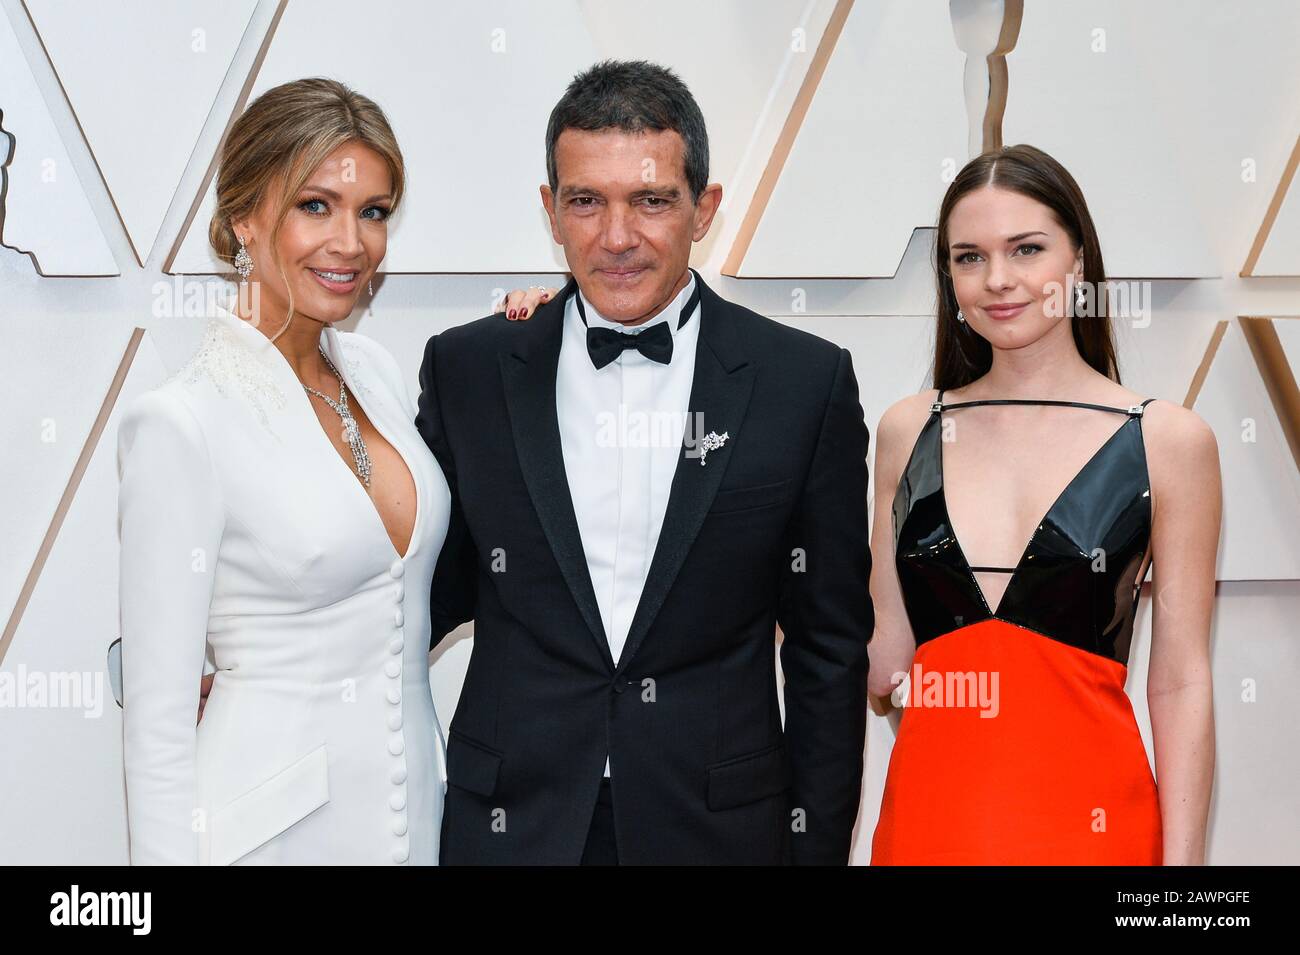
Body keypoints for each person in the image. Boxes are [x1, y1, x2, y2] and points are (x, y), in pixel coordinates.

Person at [416, 59, 873, 866]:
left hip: (719, 831)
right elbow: (425, 589)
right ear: (551, 212)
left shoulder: (805, 383)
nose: (617, 236)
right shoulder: (469, 371)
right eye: (586, 201)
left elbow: (827, 652)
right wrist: (280, 668)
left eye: (652, 200)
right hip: (510, 827)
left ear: (705, 209)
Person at [118, 77, 546, 864]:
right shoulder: (181, 424)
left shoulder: (379, 374)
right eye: (316, 205)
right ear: (244, 216)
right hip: (266, 835)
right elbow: (157, 722)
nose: (351, 242)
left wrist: (543, 348)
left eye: (373, 211)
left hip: (418, 818)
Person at [867, 144, 1220, 865]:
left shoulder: (1169, 440)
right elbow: (888, 667)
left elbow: (1181, 681)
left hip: (1096, 832)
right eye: (969, 257)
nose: (998, 279)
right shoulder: (908, 430)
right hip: (930, 826)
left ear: (1078, 261)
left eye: (1026, 248)